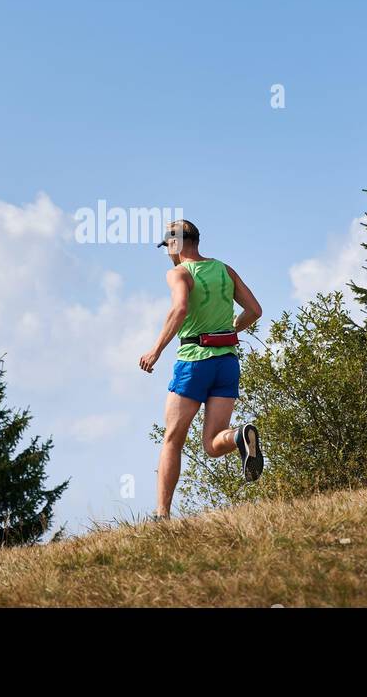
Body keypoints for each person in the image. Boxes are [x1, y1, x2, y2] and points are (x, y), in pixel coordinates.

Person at [138, 219, 263, 521]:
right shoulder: (224, 270)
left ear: (176, 244)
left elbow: (180, 309)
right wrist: (232, 328)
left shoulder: (179, 273)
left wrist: (155, 350)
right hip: (227, 364)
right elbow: (255, 310)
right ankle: (239, 437)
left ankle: (162, 514)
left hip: (194, 362)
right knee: (213, 443)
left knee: (172, 439)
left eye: (168, 246)